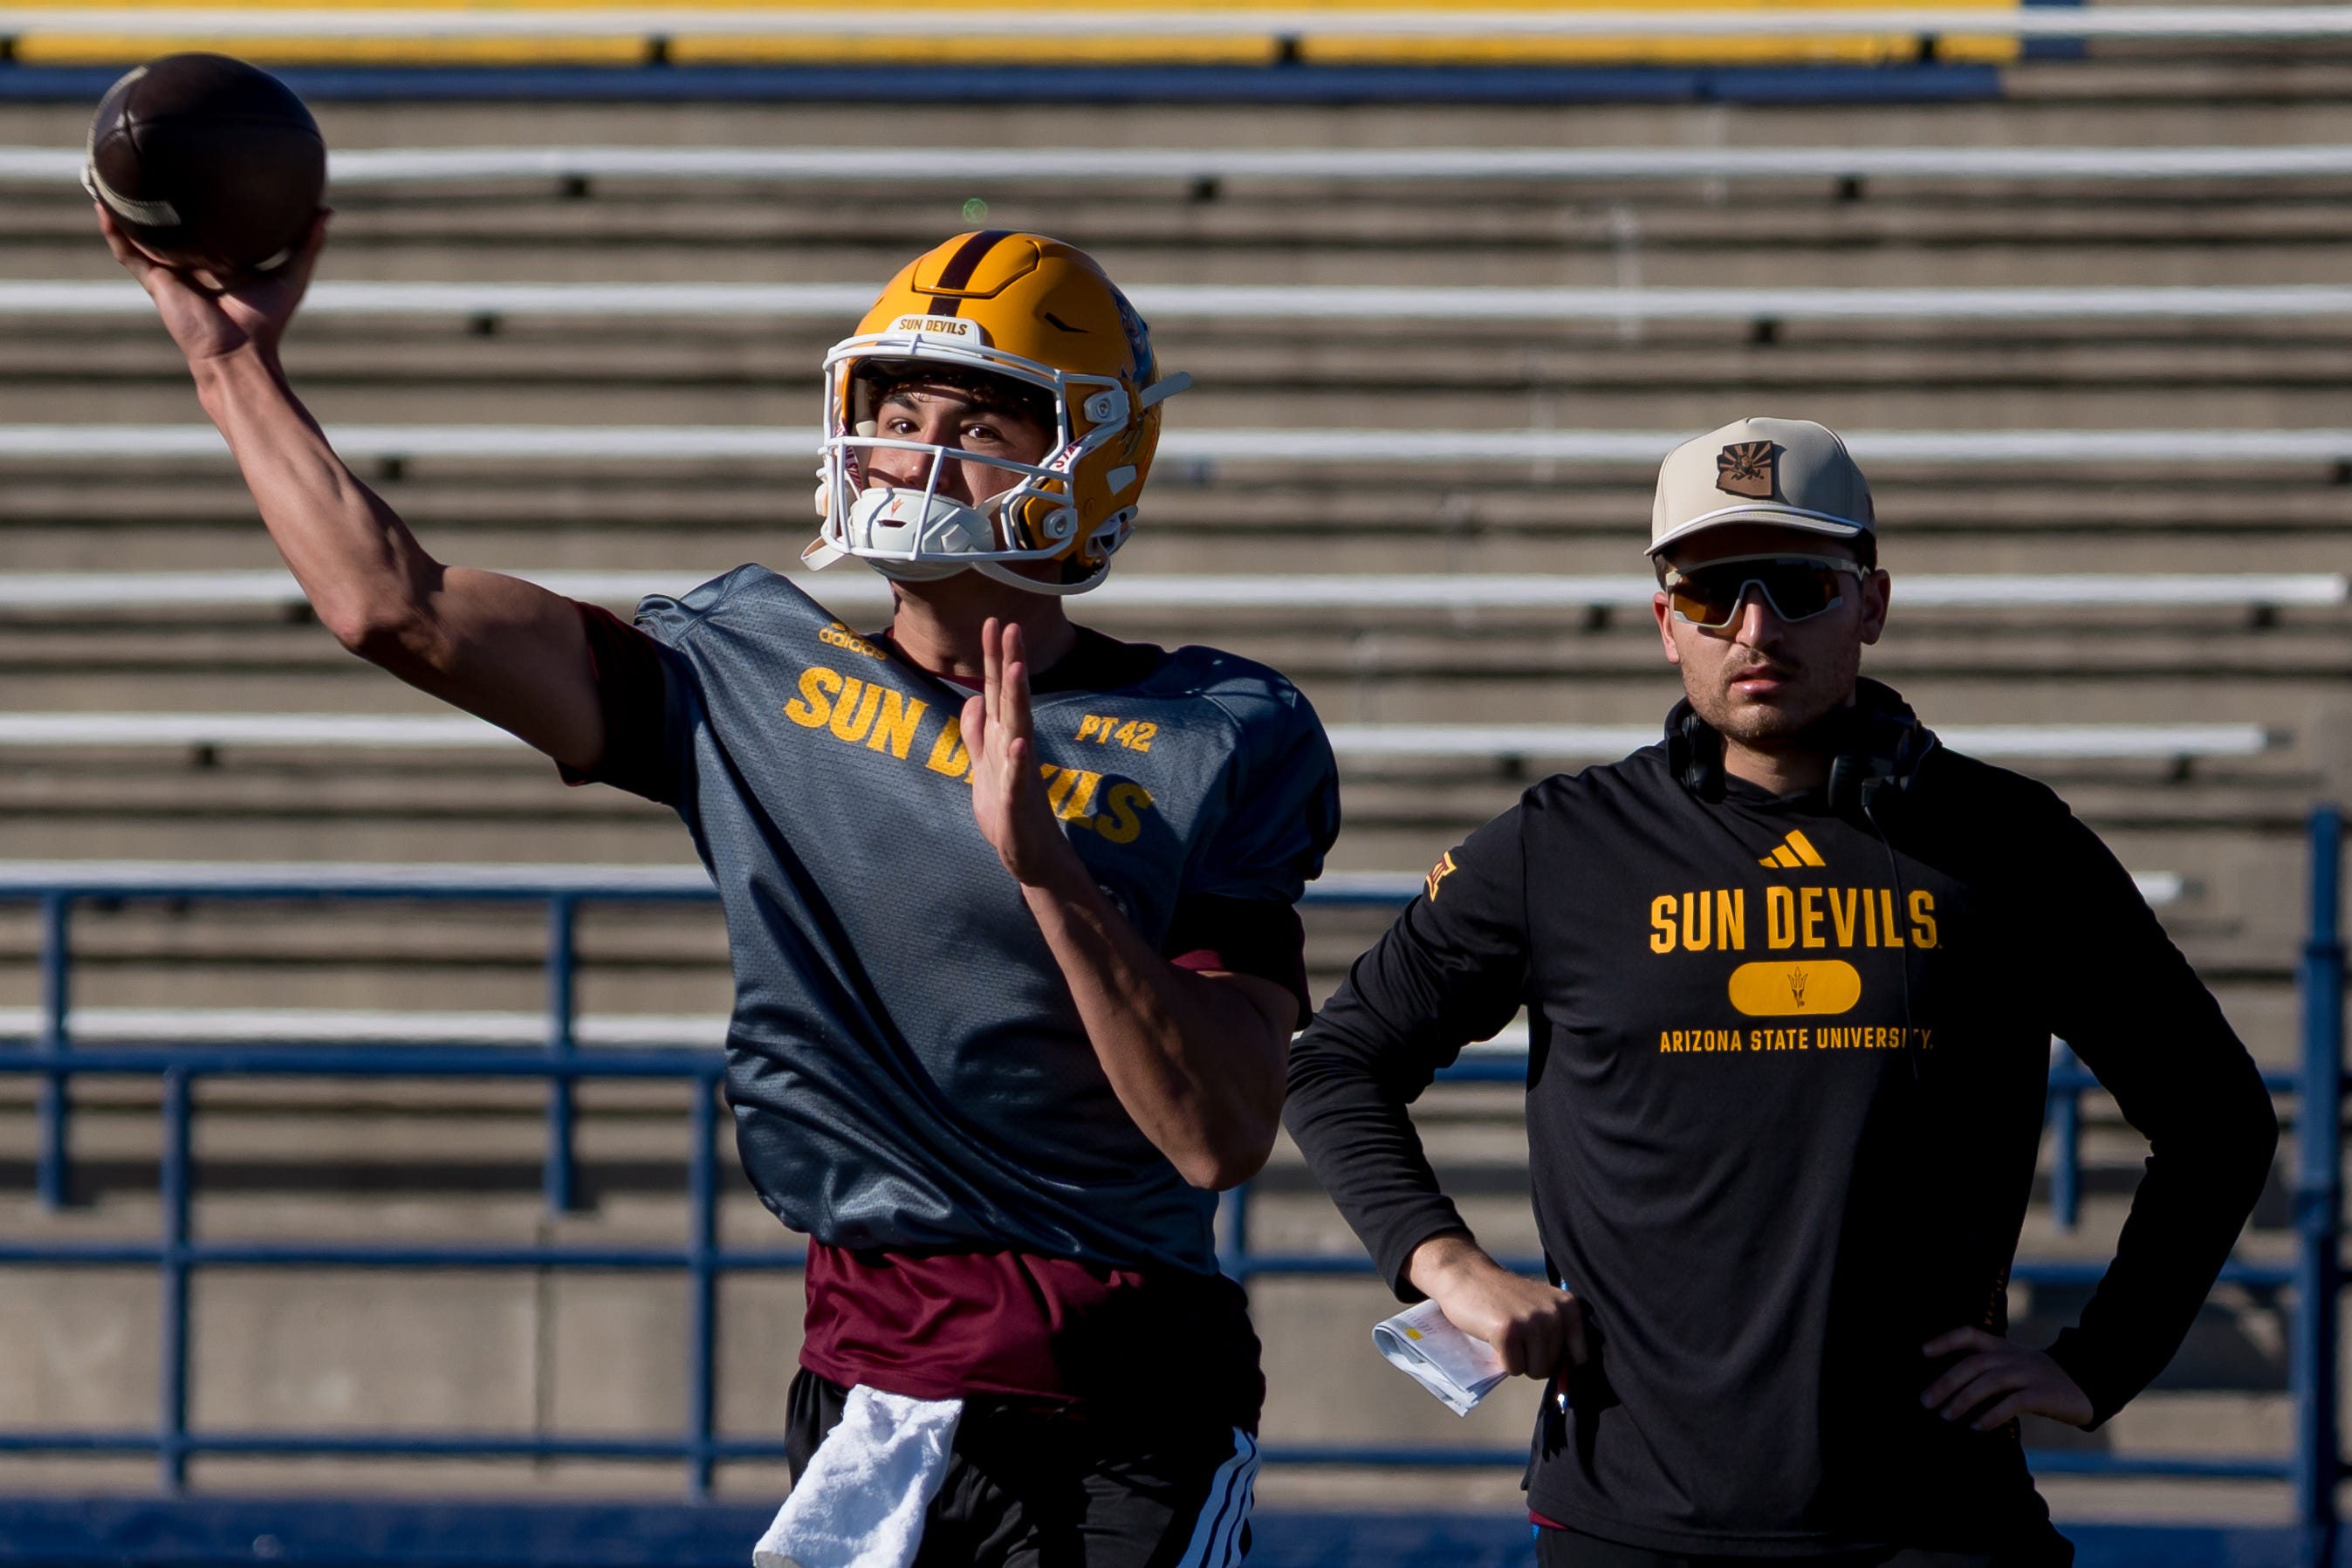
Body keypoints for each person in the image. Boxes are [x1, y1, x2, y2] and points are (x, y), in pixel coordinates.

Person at [98, 209, 1337, 1568]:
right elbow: (397, 608)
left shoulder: (1215, 726)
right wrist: (228, 364)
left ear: (1090, 456)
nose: (917, 453)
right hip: (870, 1384)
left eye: (979, 426)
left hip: (1122, 1405)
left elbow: (1218, 1132)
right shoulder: (750, 666)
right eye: (897, 409)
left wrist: (1049, 872)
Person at [1282, 416, 2279, 1566]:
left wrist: (2096, 1362)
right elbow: (1335, 1060)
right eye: (1712, 592)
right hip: (1628, 1529)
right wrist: (1447, 1265)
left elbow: (2219, 1120)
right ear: (1668, 623)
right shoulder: (1557, 849)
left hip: (1938, 1526)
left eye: (1799, 584)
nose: (1755, 627)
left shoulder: (2009, 843)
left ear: (1872, 602)